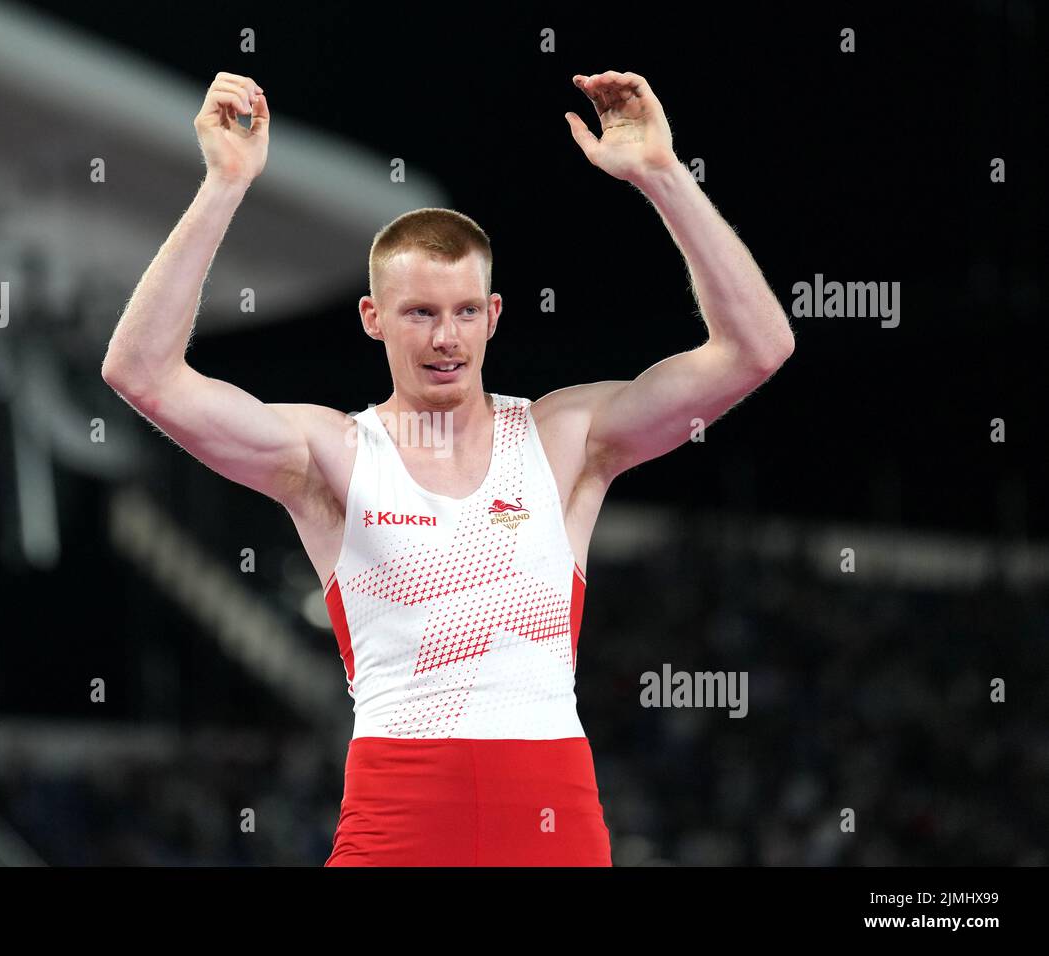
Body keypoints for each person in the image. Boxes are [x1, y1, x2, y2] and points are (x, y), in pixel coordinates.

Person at [101, 70, 795, 866]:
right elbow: (141, 373)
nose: (446, 338)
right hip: (399, 825)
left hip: (552, 825)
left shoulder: (567, 440)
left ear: (494, 315)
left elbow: (756, 349)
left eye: (466, 311)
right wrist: (223, 185)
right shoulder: (330, 455)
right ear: (373, 318)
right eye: (420, 313)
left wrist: (663, 176)